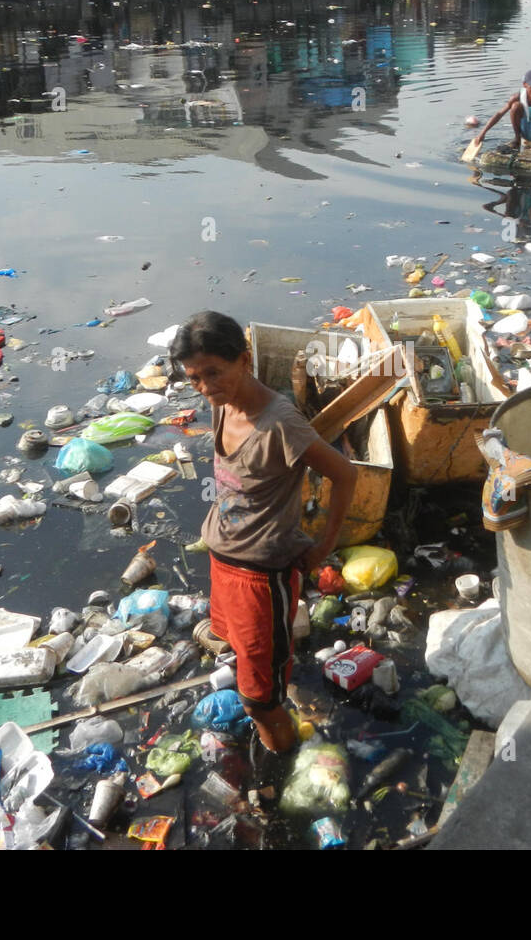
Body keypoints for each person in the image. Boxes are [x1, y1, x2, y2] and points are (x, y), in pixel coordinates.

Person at [173, 312, 358, 810]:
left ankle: (283, 766)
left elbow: (344, 475)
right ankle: (273, 707)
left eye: (214, 371)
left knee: (260, 697)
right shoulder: (221, 405)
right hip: (223, 560)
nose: (205, 386)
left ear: (244, 358)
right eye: (194, 377)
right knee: (234, 646)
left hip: (261, 574)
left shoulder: (280, 423)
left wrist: (322, 545)